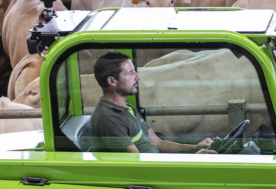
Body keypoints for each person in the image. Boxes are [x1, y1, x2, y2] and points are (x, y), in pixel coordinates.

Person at [87, 51, 215, 154]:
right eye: (130, 73)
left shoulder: (126, 107)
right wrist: (192, 161)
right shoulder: (109, 119)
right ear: (112, 81)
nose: (138, 76)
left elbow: (158, 143)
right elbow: (137, 165)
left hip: (156, 165)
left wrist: (195, 148)